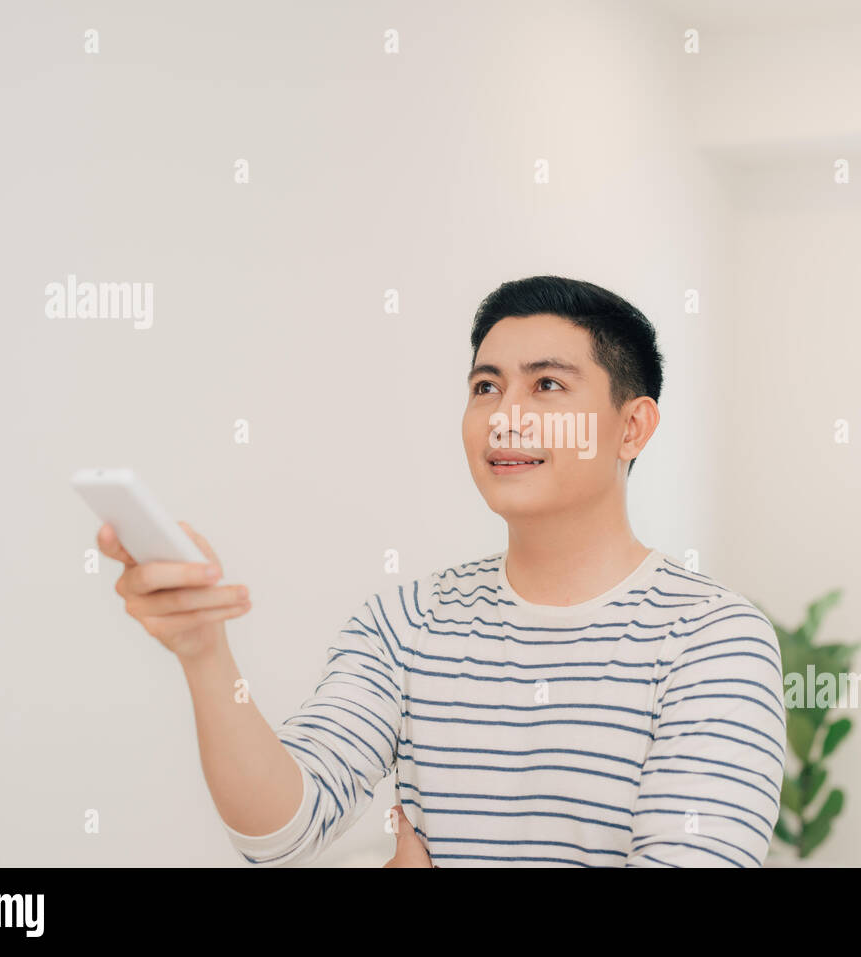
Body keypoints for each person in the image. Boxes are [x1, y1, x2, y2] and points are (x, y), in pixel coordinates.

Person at [97, 275, 786, 867]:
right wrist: (203, 652)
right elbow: (282, 829)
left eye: (546, 384)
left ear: (631, 428)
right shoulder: (403, 621)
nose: (504, 417)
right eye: (486, 386)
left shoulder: (714, 640)